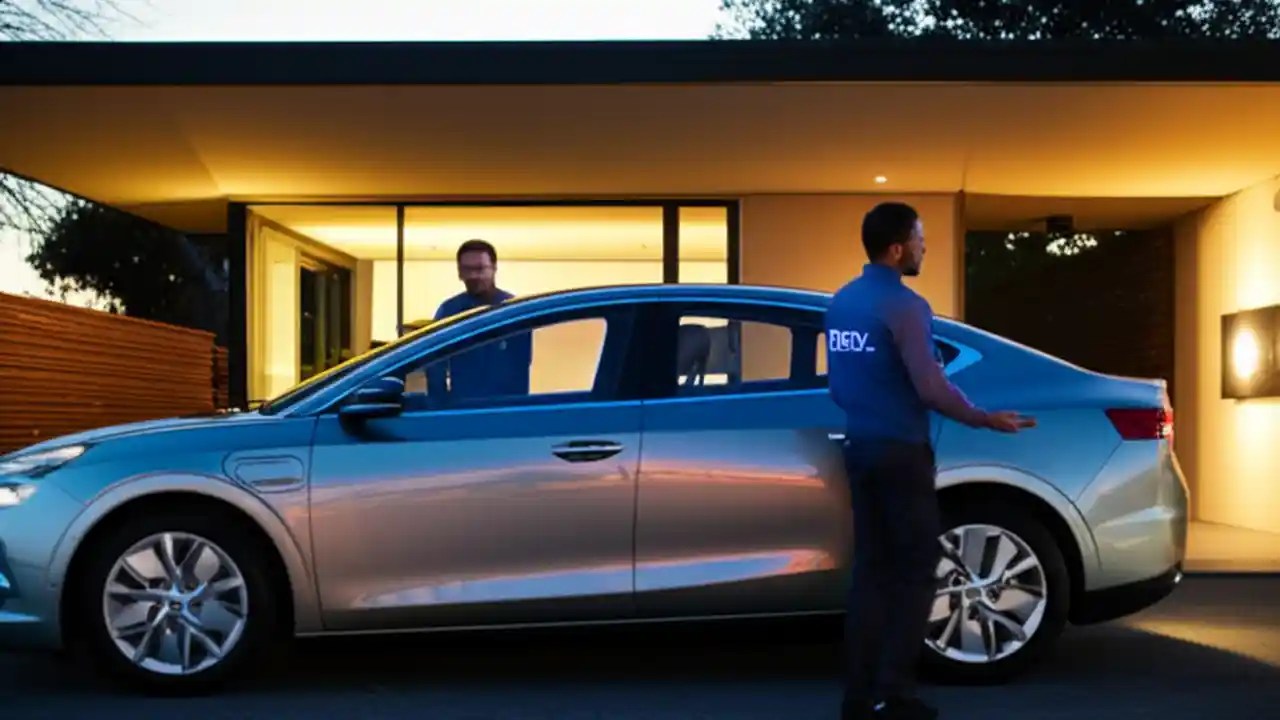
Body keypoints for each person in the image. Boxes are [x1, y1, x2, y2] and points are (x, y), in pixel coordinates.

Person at [825, 202, 1036, 720]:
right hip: (900, 452)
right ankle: (894, 694)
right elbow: (931, 386)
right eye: (919, 238)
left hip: (861, 449)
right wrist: (985, 418)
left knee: (871, 572)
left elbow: (838, 384)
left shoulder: (841, 304)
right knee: (917, 572)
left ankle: (858, 697)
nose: (924, 246)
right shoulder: (905, 306)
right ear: (897, 248)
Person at [424, 239, 531, 403]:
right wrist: (440, 404)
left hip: (506, 408)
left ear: (494, 269)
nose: (473, 276)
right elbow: (434, 363)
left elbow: (522, 365)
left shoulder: (512, 311)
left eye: (480, 269)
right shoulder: (450, 311)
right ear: (459, 272)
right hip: (462, 409)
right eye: (467, 269)